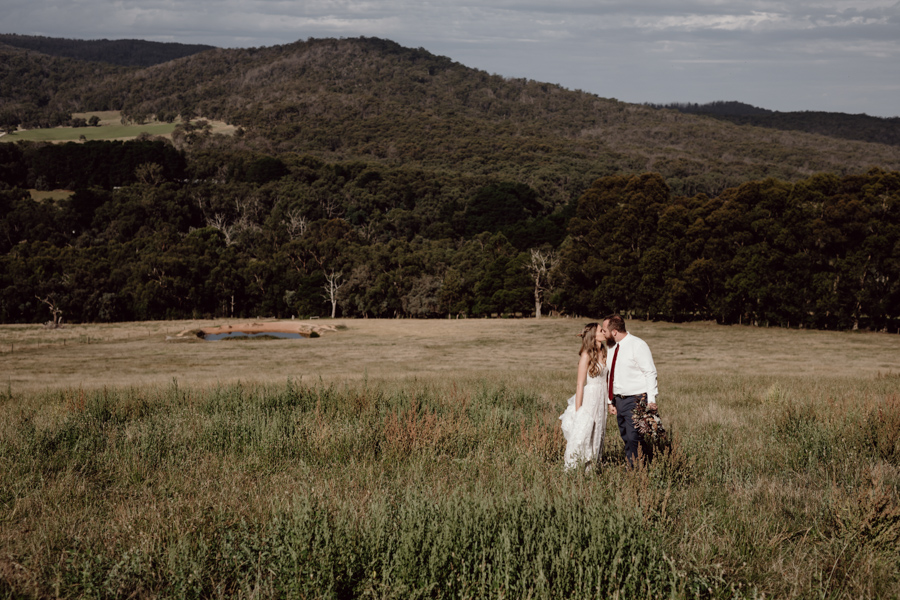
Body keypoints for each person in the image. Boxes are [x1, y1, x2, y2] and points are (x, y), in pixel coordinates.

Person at [601, 314, 658, 467]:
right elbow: (611, 375)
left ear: (614, 331)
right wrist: (610, 400)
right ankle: (639, 463)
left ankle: (636, 469)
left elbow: (650, 372)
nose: (603, 333)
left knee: (634, 435)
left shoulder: (638, 345)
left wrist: (651, 400)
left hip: (636, 398)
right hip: (619, 400)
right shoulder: (611, 347)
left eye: (605, 330)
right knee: (626, 435)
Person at [559, 322, 608, 472]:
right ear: (594, 335)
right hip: (590, 397)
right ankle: (576, 465)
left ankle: (592, 467)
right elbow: (580, 384)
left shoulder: (605, 352)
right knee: (586, 430)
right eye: (601, 330)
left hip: (602, 397)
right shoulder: (586, 355)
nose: (604, 332)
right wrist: (578, 409)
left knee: (599, 429)